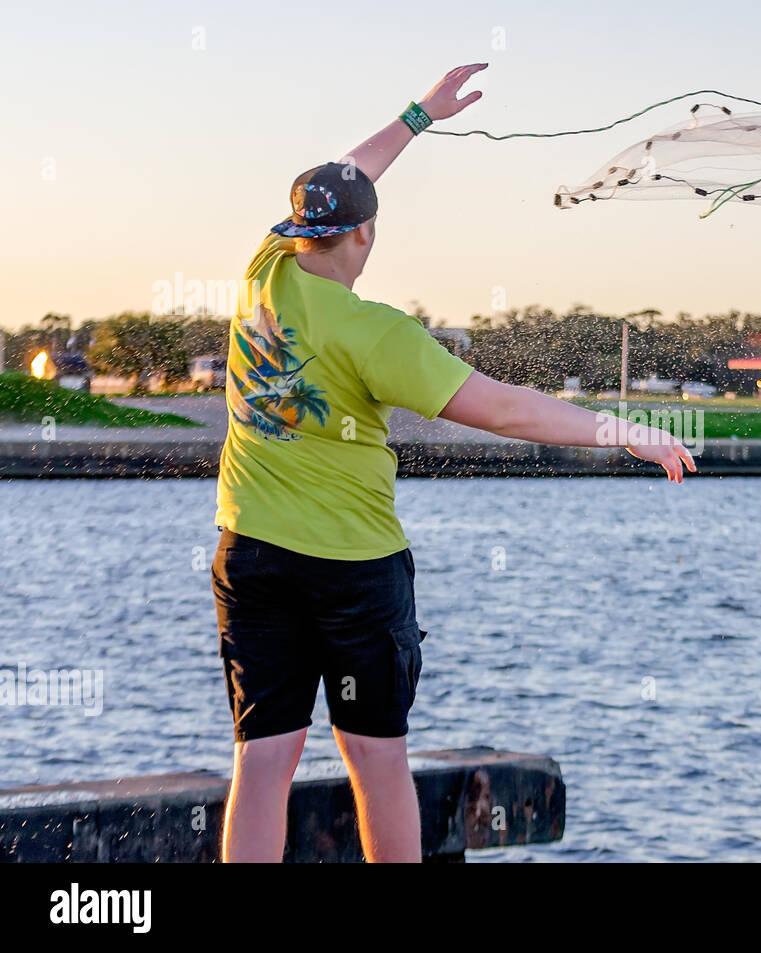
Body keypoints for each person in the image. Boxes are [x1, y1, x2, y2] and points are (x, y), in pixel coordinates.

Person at [212, 63, 694, 863]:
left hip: (250, 554)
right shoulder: (378, 333)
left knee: (264, 758)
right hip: (352, 573)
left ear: (301, 228)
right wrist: (628, 432)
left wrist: (420, 114)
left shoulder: (264, 268)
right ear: (365, 235)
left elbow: (348, 174)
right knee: (374, 758)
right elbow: (506, 409)